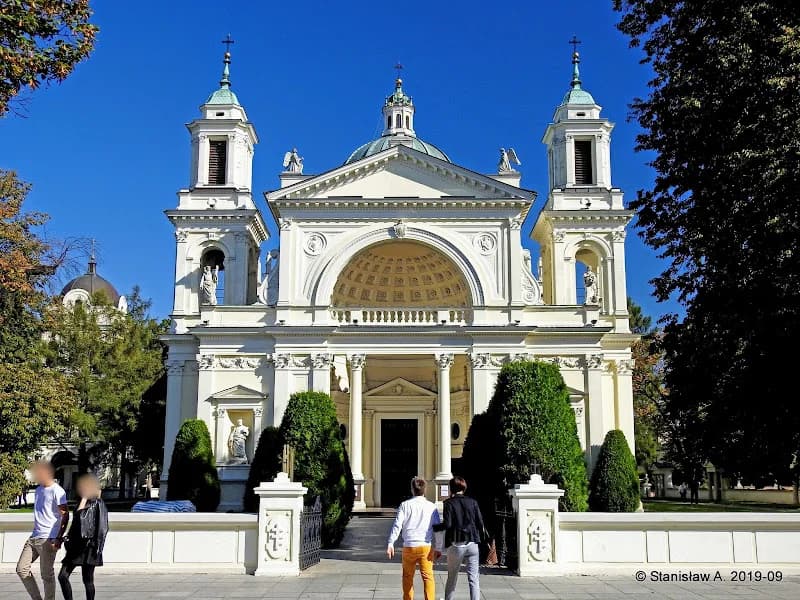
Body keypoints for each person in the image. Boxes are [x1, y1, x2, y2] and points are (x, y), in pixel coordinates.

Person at [17, 460, 69, 600]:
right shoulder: (39, 490)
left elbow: (65, 516)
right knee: (21, 569)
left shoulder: (57, 491)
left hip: (48, 538)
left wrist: (58, 538)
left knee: (46, 575)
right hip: (34, 536)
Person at [386, 477, 442, 600]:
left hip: (409, 547)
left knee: (407, 577)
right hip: (425, 547)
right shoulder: (431, 506)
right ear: (425, 490)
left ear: (412, 489)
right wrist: (439, 547)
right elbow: (438, 528)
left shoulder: (405, 505)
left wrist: (391, 543)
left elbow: (397, 525)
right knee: (428, 577)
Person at [58, 473, 108, 600]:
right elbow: (76, 522)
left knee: (88, 580)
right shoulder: (80, 503)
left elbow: (102, 527)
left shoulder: (98, 504)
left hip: (89, 547)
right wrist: (66, 536)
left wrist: (98, 548)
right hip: (75, 546)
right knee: (63, 576)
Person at [435, 476, 486, 600]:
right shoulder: (473, 502)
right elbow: (480, 523)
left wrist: (434, 527)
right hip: (473, 542)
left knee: (452, 577)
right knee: (473, 578)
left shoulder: (448, 503)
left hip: (456, 544)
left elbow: (447, 524)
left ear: (451, 489)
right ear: (464, 487)